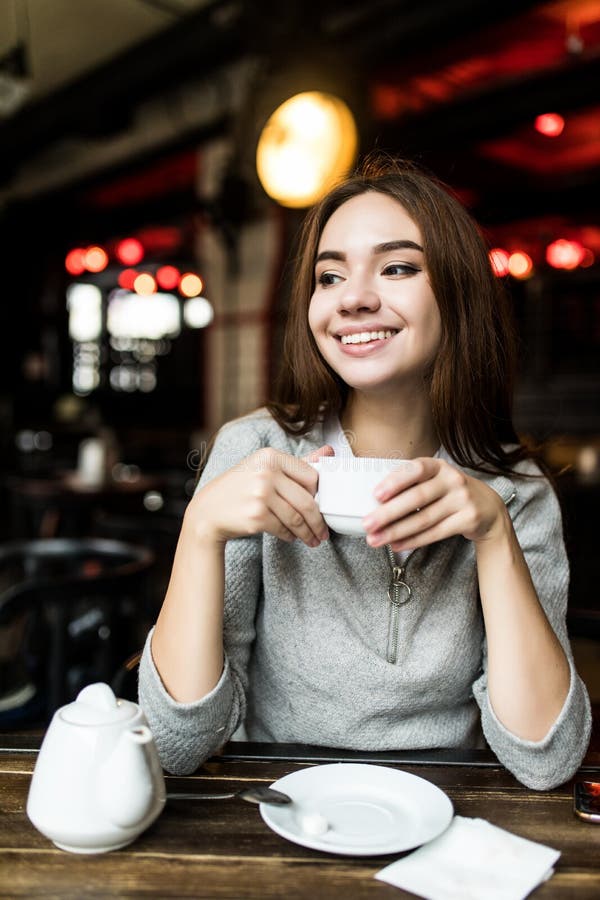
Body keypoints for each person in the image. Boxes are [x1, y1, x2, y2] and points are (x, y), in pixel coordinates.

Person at [139, 155, 591, 789]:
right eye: (329, 276)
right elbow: (174, 745)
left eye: (398, 267)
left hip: (446, 815)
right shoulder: (256, 449)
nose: (353, 298)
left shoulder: (515, 491)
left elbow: (545, 760)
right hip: (277, 813)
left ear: (458, 294)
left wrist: (492, 535)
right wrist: (201, 528)